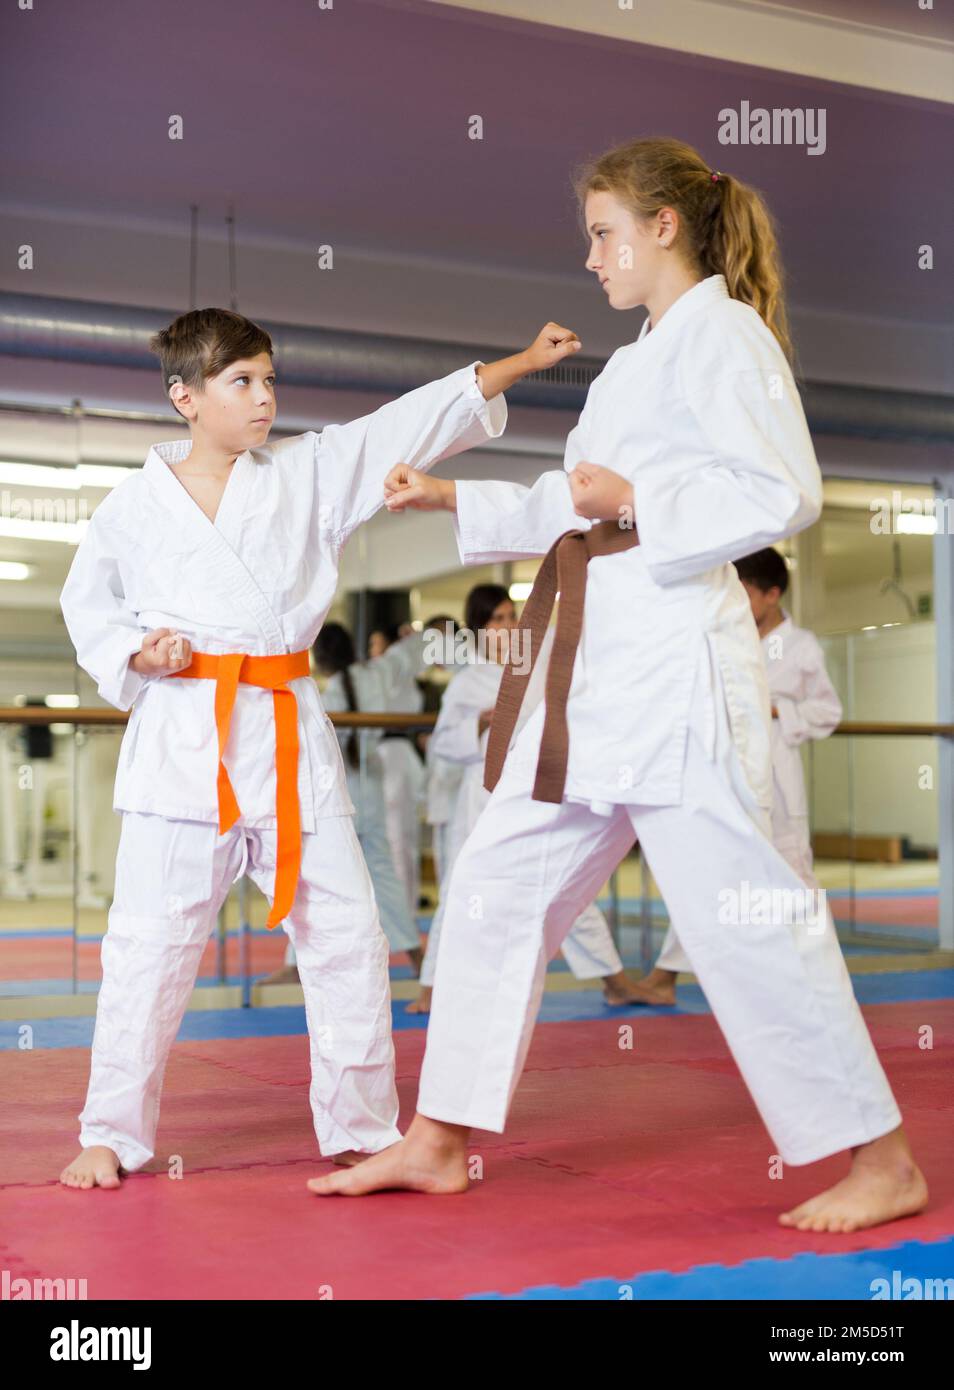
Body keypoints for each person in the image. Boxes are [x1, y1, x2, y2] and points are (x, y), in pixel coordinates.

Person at [308, 137, 927, 1234]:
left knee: (747, 919)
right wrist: (459, 506)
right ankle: (441, 1137)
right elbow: (588, 499)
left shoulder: (724, 335)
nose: (591, 257)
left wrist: (636, 501)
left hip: (681, 675)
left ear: (663, 226)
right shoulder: (638, 357)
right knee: (494, 893)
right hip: (596, 678)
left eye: (602, 233)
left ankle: (880, 1158)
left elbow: (782, 492)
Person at [57, 302, 578, 1188]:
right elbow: (87, 608)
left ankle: (363, 1126)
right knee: (148, 943)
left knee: (345, 934)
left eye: (269, 380)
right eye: (243, 383)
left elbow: (396, 429)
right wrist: (137, 654)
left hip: (287, 732)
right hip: (184, 739)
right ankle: (111, 1131)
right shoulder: (130, 510)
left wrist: (515, 366)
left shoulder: (302, 476)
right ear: (186, 398)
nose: (265, 399)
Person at [408, 583, 651, 1013]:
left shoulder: (540, 663)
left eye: (510, 616)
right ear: (480, 630)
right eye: (496, 620)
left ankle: (613, 979)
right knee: (459, 887)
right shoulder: (467, 682)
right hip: (481, 796)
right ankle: (432, 987)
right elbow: (443, 741)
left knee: (562, 880)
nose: (506, 626)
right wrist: (480, 725)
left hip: (537, 789)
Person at [645, 546, 843, 1000]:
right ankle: (666, 976)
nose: (735, 598)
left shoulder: (802, 646)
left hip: (776, 770)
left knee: (795, 873)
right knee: (708, 866)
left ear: (772, 595)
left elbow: (827, 711)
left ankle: (824, 975)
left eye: (745, 591)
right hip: (724, 767)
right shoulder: (726, 635)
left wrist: (776, 708)